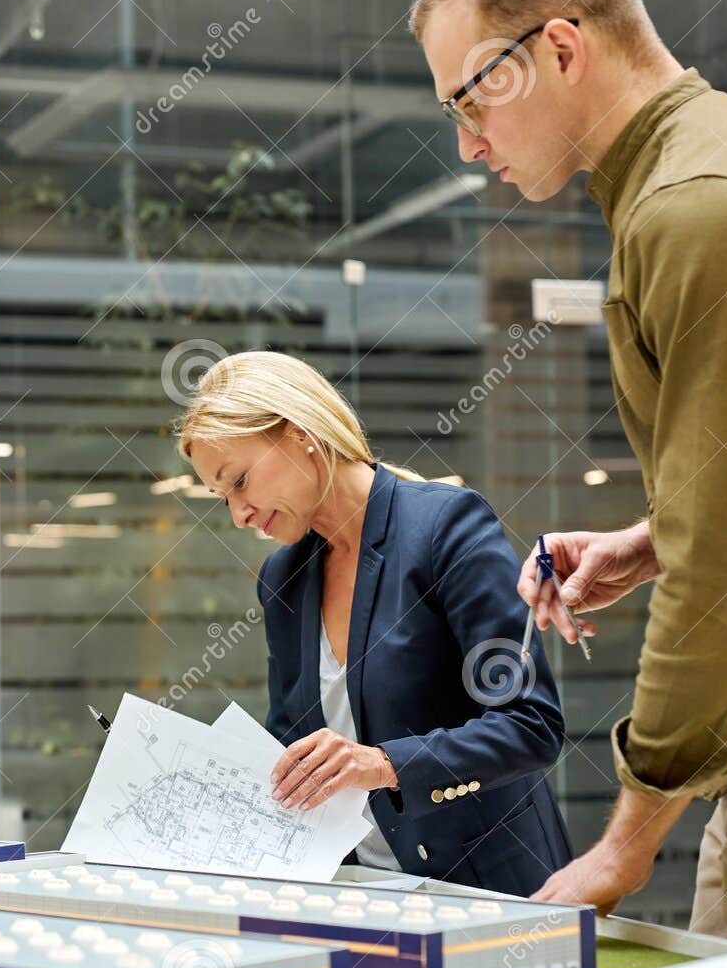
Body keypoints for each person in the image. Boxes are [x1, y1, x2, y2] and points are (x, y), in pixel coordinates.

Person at [412, 0, 727, 943]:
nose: (467, 141)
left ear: (560, 48)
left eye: (470, 96)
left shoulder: (706, 210)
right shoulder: (709, 177)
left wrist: (626, 837)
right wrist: (656, 540)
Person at [179, 351, 573, 894]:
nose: (238, 514)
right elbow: (293, 748)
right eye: (223, 497)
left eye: (240, 481)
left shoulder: (444, 527)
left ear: (299, 433)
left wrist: (386, 763)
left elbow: (532, 726)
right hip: (355, 894)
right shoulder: (283, 580)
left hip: (491, 894)